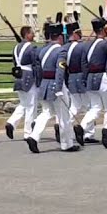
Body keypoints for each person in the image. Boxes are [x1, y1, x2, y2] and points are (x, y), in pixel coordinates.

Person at [27, 21, 79, 153]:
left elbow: (38, 70)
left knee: (46, 113)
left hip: (44, 84)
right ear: (60, 37)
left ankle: (34, 136)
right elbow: (60, 70)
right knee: (63, 116)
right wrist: (59, 88)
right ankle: (66, 144)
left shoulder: (42, 50)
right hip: (56, 85)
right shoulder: (61, 51)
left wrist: (40, 84)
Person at [80, 18, 107, 144]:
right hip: (103, 77)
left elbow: (84, 63)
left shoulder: (86, 44)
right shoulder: (106, 45)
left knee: (95, 107)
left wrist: (85, 78)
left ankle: (82, 127)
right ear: (104, 30)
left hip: (90, 77)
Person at [4, 25, 40, 140]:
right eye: (31, 33)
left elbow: (14, 62)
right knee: (31, 106)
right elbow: (36, 63)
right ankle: (28, 132)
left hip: (19, 75)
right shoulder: (32, 47)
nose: (33, 35)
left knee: (24, 103)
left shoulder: (16, 47)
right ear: (27, 34)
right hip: (28, 76)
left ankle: (11, 122)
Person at [64, 19, 89, 144]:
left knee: (74, 106)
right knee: (89, 106)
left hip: (70, 77)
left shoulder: (64, 47)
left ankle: (63, 125)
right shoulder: (81, 46)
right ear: (74, 34)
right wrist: (85, 78)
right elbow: (84, 64)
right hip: (80, 76)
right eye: (79, 32)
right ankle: (88, 132)